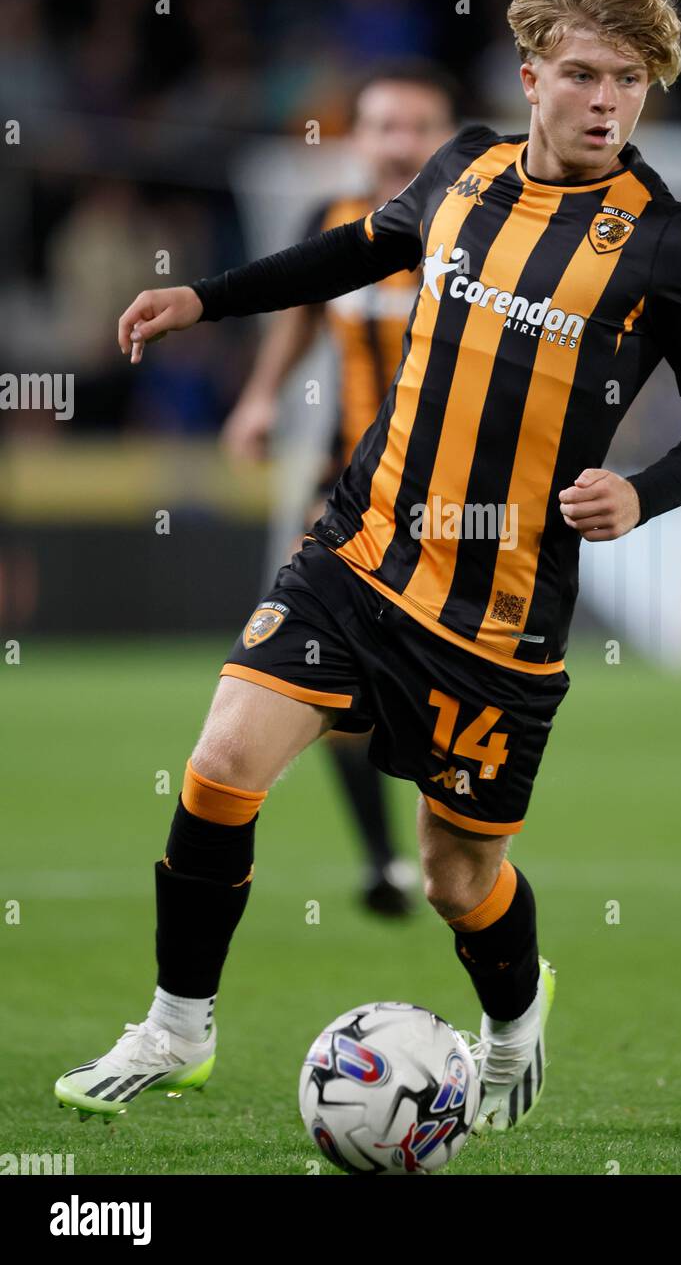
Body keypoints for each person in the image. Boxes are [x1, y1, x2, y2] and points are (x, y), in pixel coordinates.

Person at [56, 0, 681, 1143]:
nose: (607, 102)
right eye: (586, 74)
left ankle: (511, 1018)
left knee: (458, 879)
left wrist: (641, 495)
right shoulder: (463, 168)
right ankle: (178, 1024)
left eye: (632, 81)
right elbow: (358, 250)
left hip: (499, 614)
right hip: (361, 548)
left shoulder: (664, 247)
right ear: (531, 74)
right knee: (225, 757)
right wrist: (205, 299)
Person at [221, 60, 459, 917]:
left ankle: (457, 865)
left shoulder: (479, 229)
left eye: (419, 125)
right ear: (358, 137)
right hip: (345, 482)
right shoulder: (333, 221)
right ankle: (383, 859)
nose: (401, 142)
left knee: (442, 688)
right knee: (316, 666)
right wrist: (258, 399)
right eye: (385, 126)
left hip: (457, 494)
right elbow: (301, 316)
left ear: (447, 135)